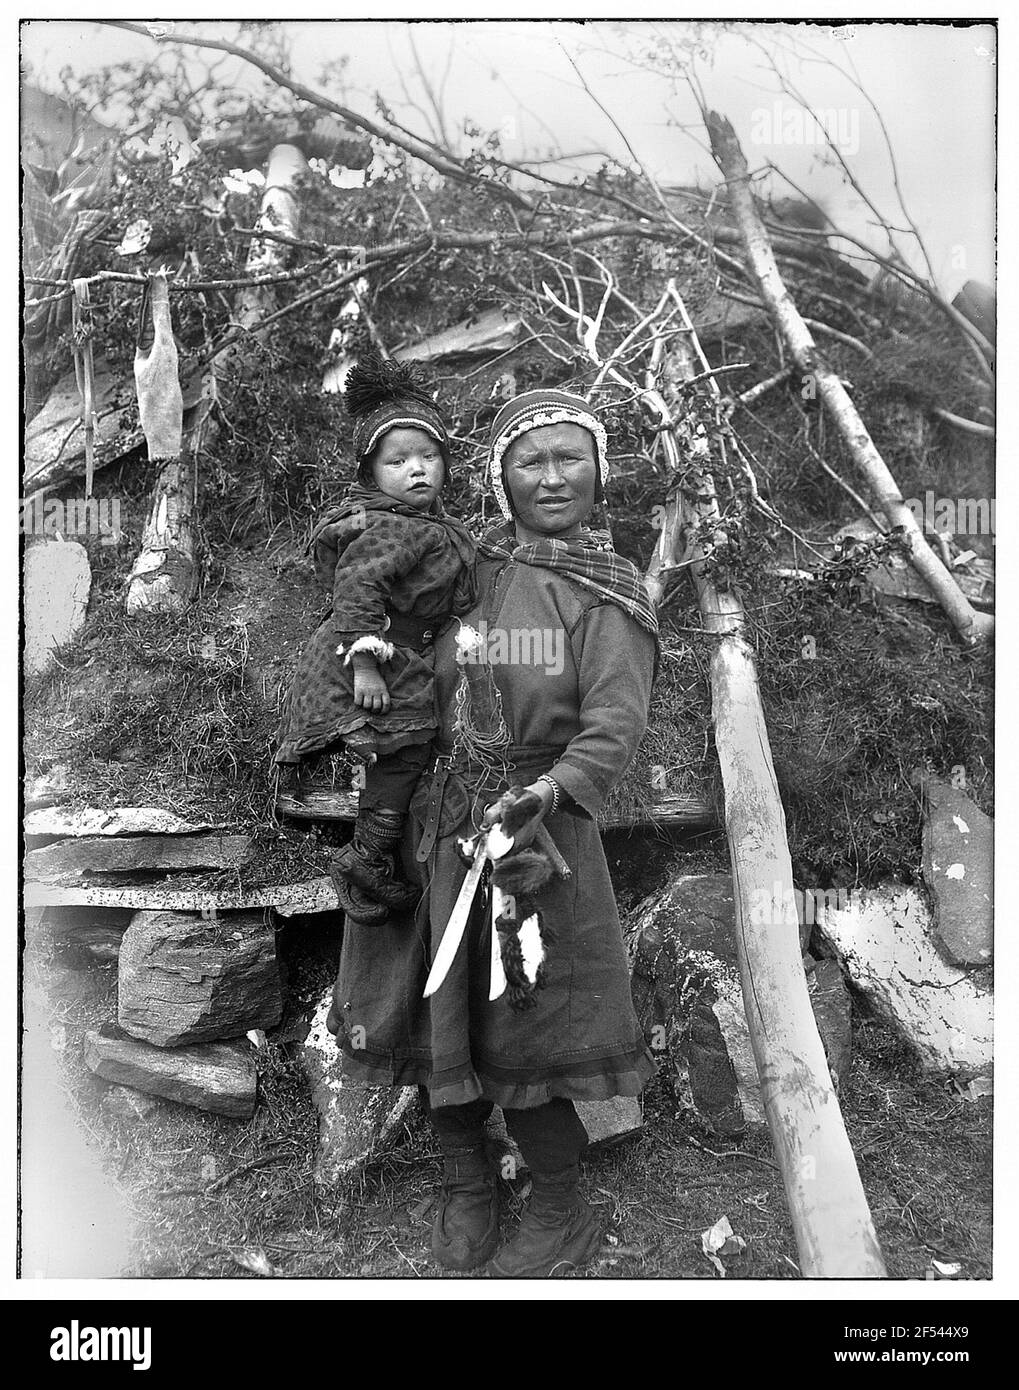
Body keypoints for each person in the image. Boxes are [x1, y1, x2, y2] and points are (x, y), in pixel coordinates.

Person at [328, 388, 659, 1278]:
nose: (551, 477)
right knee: (436, 1012)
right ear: (500, 480)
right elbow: (394, 634)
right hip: (436, 830)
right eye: (530, 461)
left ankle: (557, 1203)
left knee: (527, 1025)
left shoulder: (606, 595)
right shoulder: (473, 572)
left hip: (531, 843)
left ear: (599, 473)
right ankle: (465, 1186)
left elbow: (611, 729)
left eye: (569, 458)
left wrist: (544, 795)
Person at [274, 353, 476, 922]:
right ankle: (364, 857)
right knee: (409, 745)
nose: (418, 469)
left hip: (405, 649)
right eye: (399, 461)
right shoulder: (395, 527)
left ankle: (369, 856)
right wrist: (366, 663)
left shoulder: (428, 526)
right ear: (371, 475)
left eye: (429, 456)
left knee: (413, 745)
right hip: (373, 649)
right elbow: (358, 582)